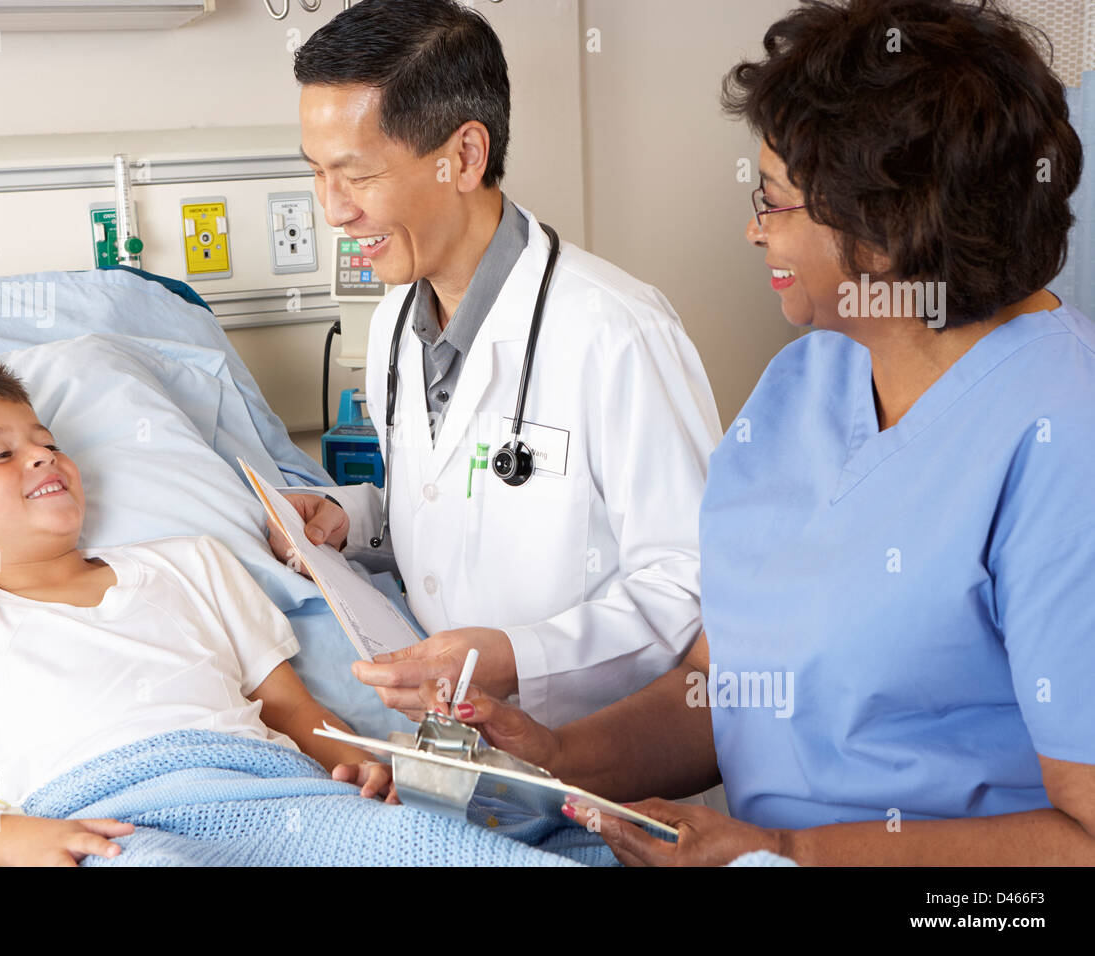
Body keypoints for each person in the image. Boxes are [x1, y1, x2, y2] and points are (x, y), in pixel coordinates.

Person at [414, 0, 1095, 865]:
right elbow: (717, 684)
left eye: (772, 202)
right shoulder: (803, 385)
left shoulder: (1063, 442)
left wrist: (785, 852)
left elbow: (1084, 841)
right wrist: (559, 759)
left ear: (884, 233)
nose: (752, 229)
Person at [272, 0, 723, 730]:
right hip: (461, 751)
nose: (332, 211)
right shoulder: (394, 325)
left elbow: (693, 583)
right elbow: (448, 510)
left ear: (465, 156)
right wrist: (349, 521)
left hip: (608, 755)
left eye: (355, 176)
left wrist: (515, 658)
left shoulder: (616, 331)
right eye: (318, 174)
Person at [0, 361, 395, 867]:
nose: (43, 456)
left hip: (280, 796)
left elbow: (292, 711)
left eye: (48, 443)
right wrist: (7, 839)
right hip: (103, 829)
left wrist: (361, 766)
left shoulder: (191, 562)